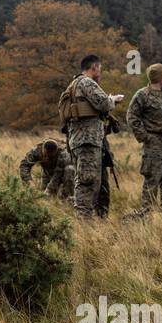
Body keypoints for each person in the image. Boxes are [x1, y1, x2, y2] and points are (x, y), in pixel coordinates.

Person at [60, 54, 124, 218]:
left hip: (80, 140)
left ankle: (96, 221)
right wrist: (113, 100)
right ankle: (84, 223)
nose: (100, 72)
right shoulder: (86, 82)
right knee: (87, 182)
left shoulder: (73, 84)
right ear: (94, 67)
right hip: (87, 140)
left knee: (93, 181)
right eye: (100, 69)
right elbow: (103, 103)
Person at [125, 63, 162, 212]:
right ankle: (147, 214)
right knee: (152, 179)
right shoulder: (143, 95)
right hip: (154, 143)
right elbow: (131, 116)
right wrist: (144, 136)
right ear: (160, 78)